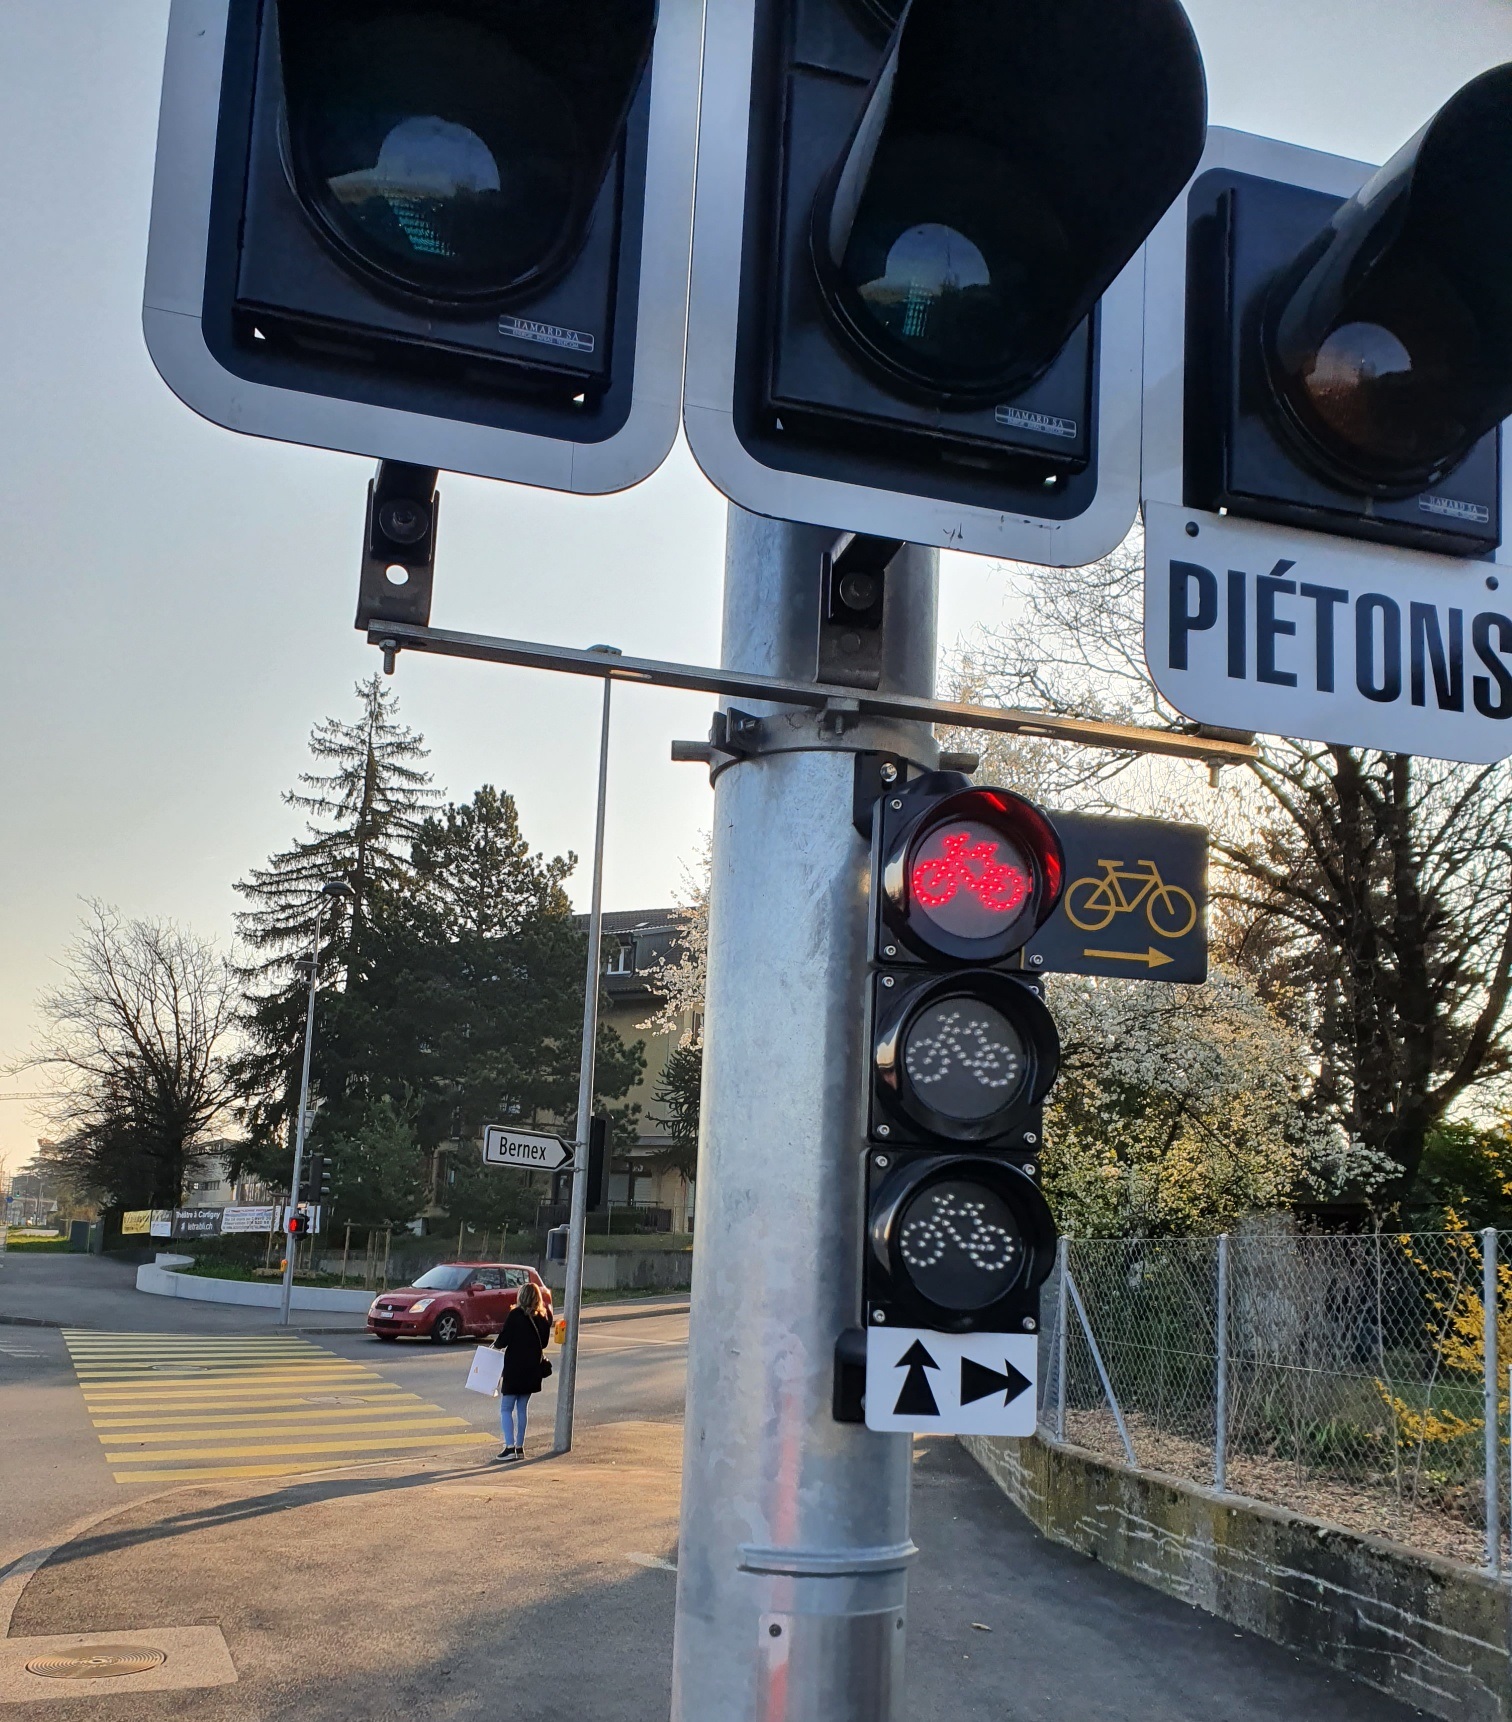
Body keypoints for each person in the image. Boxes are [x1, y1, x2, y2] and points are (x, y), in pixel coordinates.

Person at [491, 1280, 551, 1461]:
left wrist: (494, 1346)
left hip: (514, 1369)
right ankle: (520, 1447)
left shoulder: (515, 1315)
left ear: (521, 1297)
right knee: (522, 1408)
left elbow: (503, 1340)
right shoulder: (543, 1317)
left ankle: (509, 1447)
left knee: (506, 1408)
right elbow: (545, 1343)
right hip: (532, 1370)